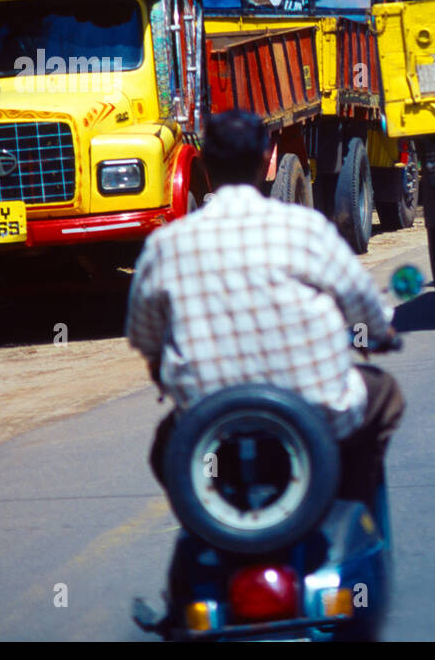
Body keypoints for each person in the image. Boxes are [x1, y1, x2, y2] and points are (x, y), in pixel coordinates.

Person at [126, 110, 404, 510]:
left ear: (206, 166)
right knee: (385, 394)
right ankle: (353, 510)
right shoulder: (304, 228)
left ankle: (212, 529)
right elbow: (361, 302)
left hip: (212, 431)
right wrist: (381, 333)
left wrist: (162, 363)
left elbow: (145, 336)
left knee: (166, 447)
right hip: (318, 419)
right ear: (264, 161)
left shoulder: (166, 245)